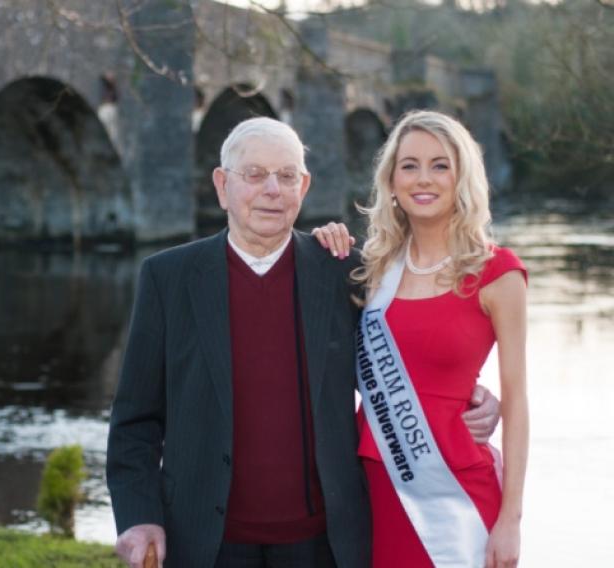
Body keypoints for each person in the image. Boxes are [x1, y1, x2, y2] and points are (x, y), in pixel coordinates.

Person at [106, 117, 501, 568]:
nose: (272, 189)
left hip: (324, 544)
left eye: (287, 175)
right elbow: (135, 420)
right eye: (254, 175)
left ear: (304, 185)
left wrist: (472, 398)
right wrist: (138, 517)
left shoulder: (345, 271)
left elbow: (407, 362)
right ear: (222, 185)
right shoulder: (167, 278)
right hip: (203, 543)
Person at [315, 110, 528, 568]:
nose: (423, 179)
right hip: (370, 485)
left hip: (457, 493)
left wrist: (511, 519)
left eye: (440, 164)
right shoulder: (368, 270)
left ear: (462, 177)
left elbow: (517, 402)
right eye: (409, 165)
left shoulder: (497, 274)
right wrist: (320, 239)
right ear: (391, 180)